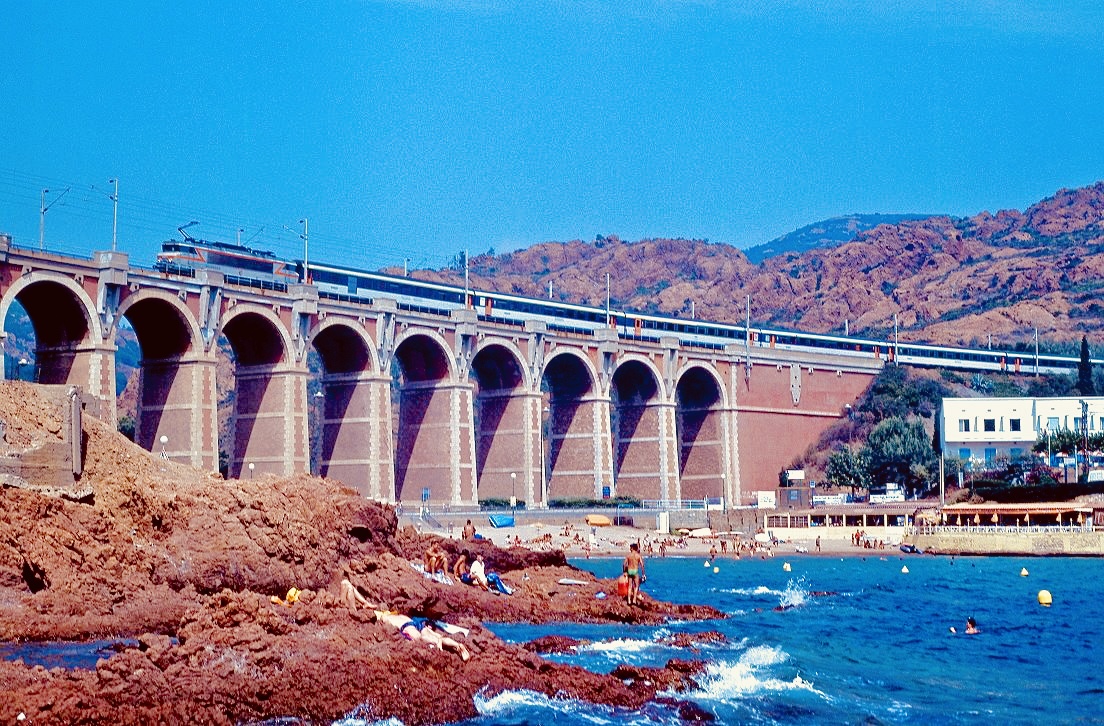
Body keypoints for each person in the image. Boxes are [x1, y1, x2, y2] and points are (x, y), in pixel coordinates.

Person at [373, 609, 471, 661]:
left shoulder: (386, 618)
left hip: (407, 626)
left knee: (420, 638)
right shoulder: (400, 615)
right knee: (438, 635)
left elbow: (383, 625)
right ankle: (456, 645)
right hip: (415, 623)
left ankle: (438, 642)